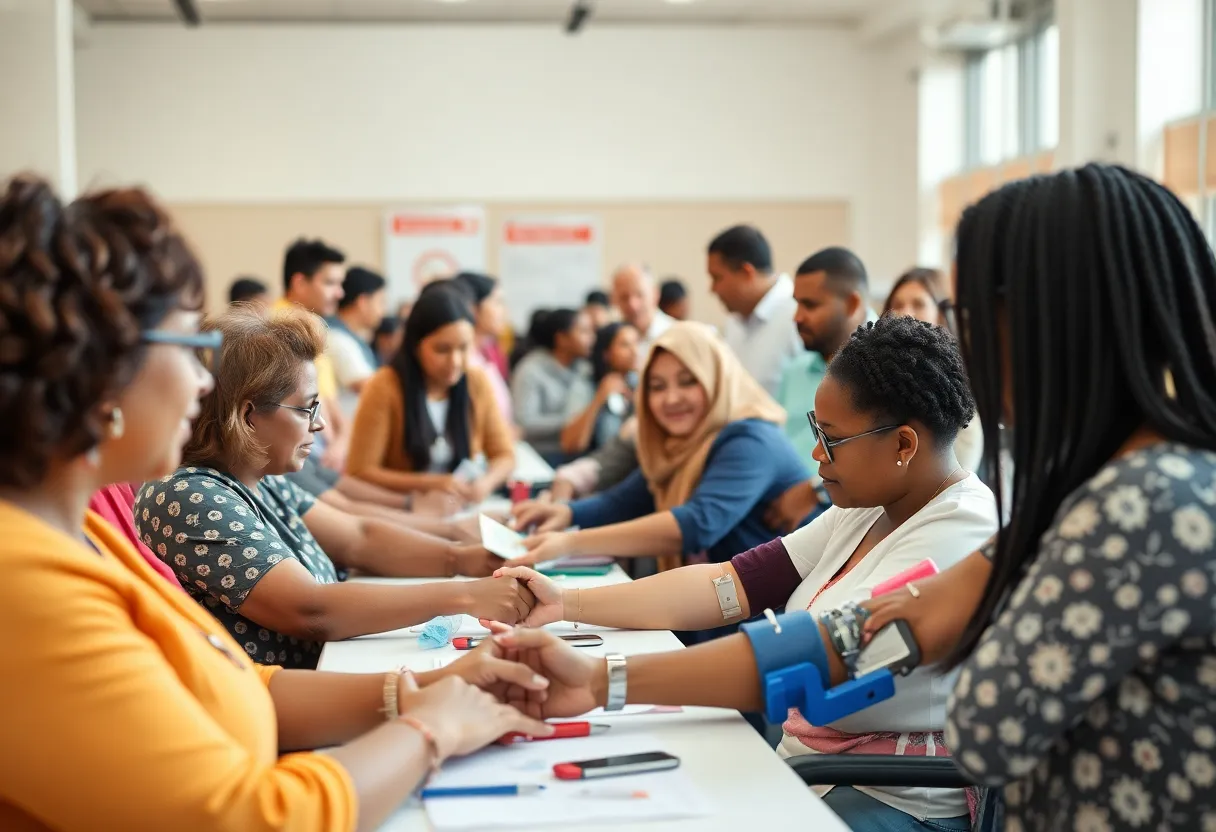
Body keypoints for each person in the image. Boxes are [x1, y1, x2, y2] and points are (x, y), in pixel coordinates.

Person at [0, 175, 554, 832]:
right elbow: (248, 817)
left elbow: (235, 680)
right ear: (104, 369)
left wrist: (437, 688)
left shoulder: (88, 529)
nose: (203, 380)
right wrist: (429, 730)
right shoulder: (25, 581)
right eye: (191, 348)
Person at [496, 315, 995, 830]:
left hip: (889, 800)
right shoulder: (871, 505)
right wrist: (568, 605)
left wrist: (604, 681)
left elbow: (814, 656)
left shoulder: (961, 530)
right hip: (816, 770)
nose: (816, 453)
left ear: (903, 445)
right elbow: (731, 586)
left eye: (833, 438)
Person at [843, 164, 1216, 831]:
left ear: (1048, 319)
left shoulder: (1132, 507)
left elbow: (986, 728)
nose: (968, 346)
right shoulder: (1175, 475)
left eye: (972, 318)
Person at [137, 304, 534, 671]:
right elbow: (311, 610)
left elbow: (359, 538)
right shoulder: (189, 495)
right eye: (306, 408)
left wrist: (465, 559)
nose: (320, 424)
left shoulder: (258, 478)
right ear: (247, 416)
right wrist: (463, 595)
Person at [510, 321, 809, 580]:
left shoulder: (752, 437)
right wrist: (564, 512)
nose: (671, 399)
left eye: (688, 381)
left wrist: (570, 543)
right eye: (656, 386)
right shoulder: (685, 442)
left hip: (768, 621)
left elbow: (697, 524)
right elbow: (624, 501)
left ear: (717, 378)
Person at [347, 283, 516, 502]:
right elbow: (360, 471)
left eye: (464, 348)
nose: (455, 361)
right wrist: (433, 483)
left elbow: (504, 455)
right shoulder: (384, 386)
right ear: (416, 346)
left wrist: (485, 483)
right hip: (399, 510)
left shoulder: (476, 382)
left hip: (459, 506)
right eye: (442, 349)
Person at [764, 247, 875, 534]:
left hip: (847, 519)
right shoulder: (795, 370)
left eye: (810, 305)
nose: (796, 317)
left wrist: (815, 491)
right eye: (796, 304)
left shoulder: (889, 371)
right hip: (778, 513)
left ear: (851, 304)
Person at [881, 268, 984, 474]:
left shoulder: (961, 378)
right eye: (897, 304)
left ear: (942, 313)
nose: (904, 313)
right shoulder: (878, 375)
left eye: (918, 304)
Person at [279, 238, 351, 470]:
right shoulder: (278, 329)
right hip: (305, 455)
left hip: (324, 452)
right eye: (330, 283)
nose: (340, 293)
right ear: (299, 282)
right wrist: (335, 447)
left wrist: (340, 442)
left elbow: (327, 400)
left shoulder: (312, 325)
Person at [709, 225, 803, 397]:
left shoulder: (798, 316)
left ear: (746, 273)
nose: (712, 289)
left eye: (717, 278)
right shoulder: (735, 322)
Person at [510, 307, 599, 463]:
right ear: (562, 338)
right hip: (542, 456)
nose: (592, 338)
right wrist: (572, 420)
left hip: (577, 451)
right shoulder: (530, 370)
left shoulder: (583, 368)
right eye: (584, 332)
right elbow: (525, 422)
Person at [450, 271, 514, 427]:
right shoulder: (460, 364)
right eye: (497, 302)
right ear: (472, 308)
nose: (504, 311)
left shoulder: (485, 355)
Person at [327, 265, 386, 416]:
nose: (382, 311)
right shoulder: (338, 339)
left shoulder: (350, 337)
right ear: (363, 302)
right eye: (380, 302)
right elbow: (370, 387)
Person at [611, 263, 673, 364]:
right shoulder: (611, 339)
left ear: (655, 294)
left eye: (639, 295)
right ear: (614, 300)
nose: (632, 305)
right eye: (624, 297)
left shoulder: (674, 334)